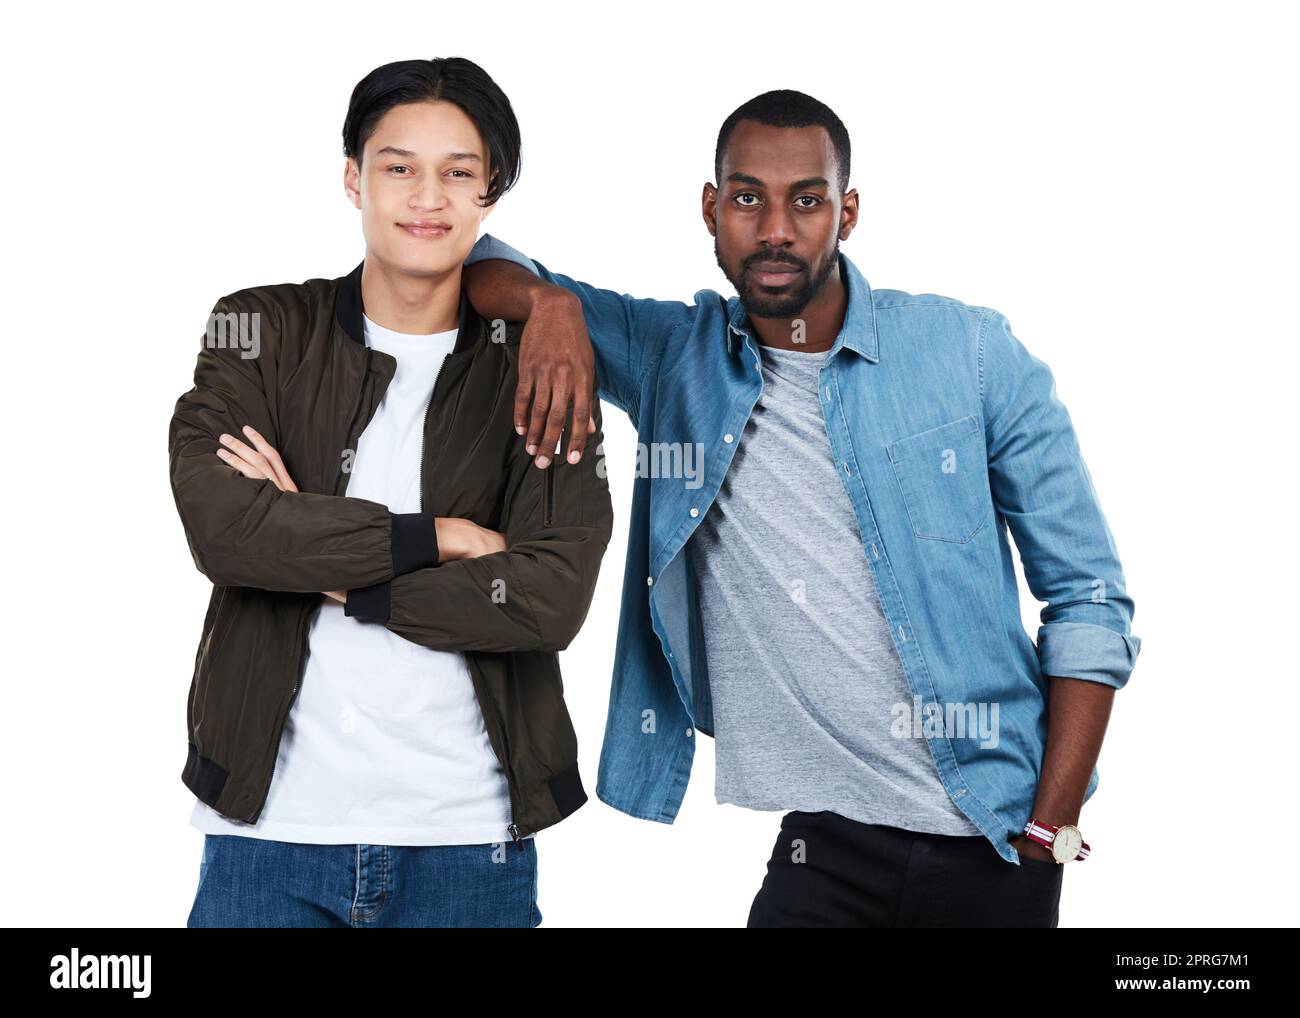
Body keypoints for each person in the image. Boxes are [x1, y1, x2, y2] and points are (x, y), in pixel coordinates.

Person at [458, 89, 1141, 927]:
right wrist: (553, 305)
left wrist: (1052, 829)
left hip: (993, 845)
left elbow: (1090, 597)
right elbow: (477, 263)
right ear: (711, 210)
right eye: (747, 198)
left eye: (806, 200)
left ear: (846, 213)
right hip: (820, 849)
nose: (775, 228)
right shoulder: (674, 357)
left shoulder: (968, 353)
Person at [168, 57, 613, 928]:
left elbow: (547, 598)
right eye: (398, 167)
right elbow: (225, 529)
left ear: (491, 196)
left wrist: (319, 559)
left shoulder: (542, 370)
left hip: (469, 845)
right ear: (352, 178)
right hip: (269, 839)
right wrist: (443, 536)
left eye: (459, 173)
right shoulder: (259, 329)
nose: (426, 197)